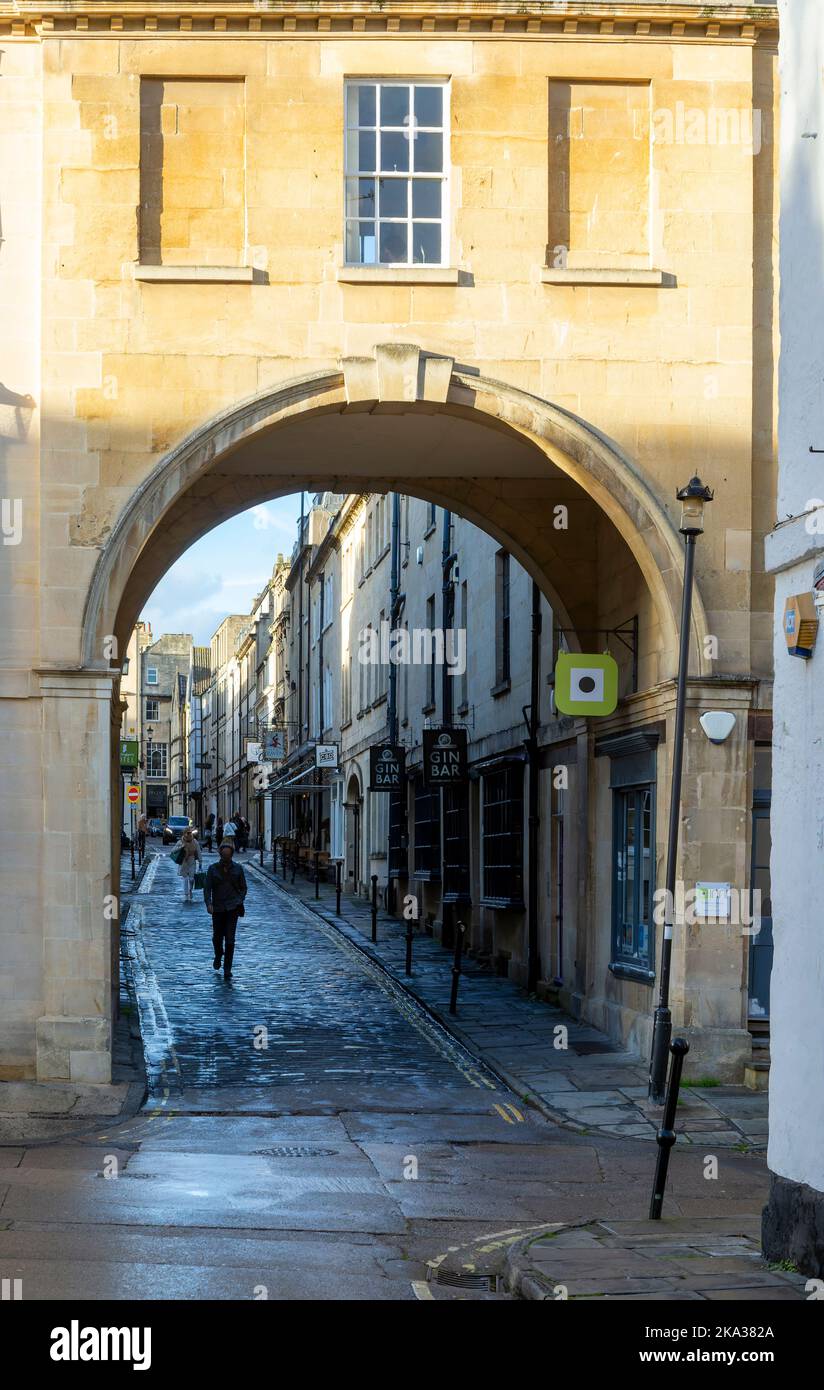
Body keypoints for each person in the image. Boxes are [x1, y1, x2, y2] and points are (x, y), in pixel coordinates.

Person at [203, 840, 247, 980]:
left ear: (232, 855)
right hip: (218, 908)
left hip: (232, 908)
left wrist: (239, 900)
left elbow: (243, 888)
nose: (226, 858)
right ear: (220, 854)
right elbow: (207, 888)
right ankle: (218, 954)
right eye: (224, 856)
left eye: (229, 856)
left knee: (230, 939)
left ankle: (227, 968)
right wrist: (208, 903)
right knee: (217, 938)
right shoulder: (213, 869)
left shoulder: (238, 869)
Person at [177, 827, 202, 902]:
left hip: (192, 860)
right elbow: (173, 850)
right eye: (187, 833)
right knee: (185, 878)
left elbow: (198, 851)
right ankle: (186, 894)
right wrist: (181, 848)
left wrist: (200, 861)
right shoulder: (181, 842)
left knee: (191, 879)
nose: (189, 834)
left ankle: (190, 889)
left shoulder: (195, 841)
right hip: (184, 861)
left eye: (190, 833)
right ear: (184, 834)